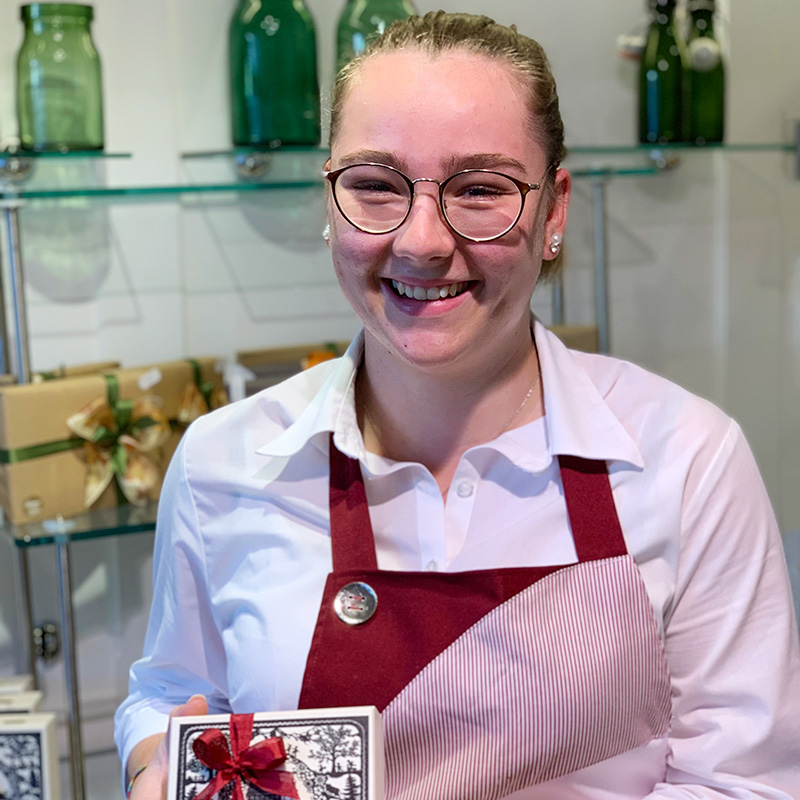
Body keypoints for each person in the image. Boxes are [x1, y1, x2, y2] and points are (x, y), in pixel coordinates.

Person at [115, 11, 800, 800]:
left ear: (554, 211)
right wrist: (152, 766)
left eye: (480, 190)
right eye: (376, 186)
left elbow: (745, 782)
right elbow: (173, 693)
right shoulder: (225, 462)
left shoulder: (686, 460)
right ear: (329, 200)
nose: (421, 241)